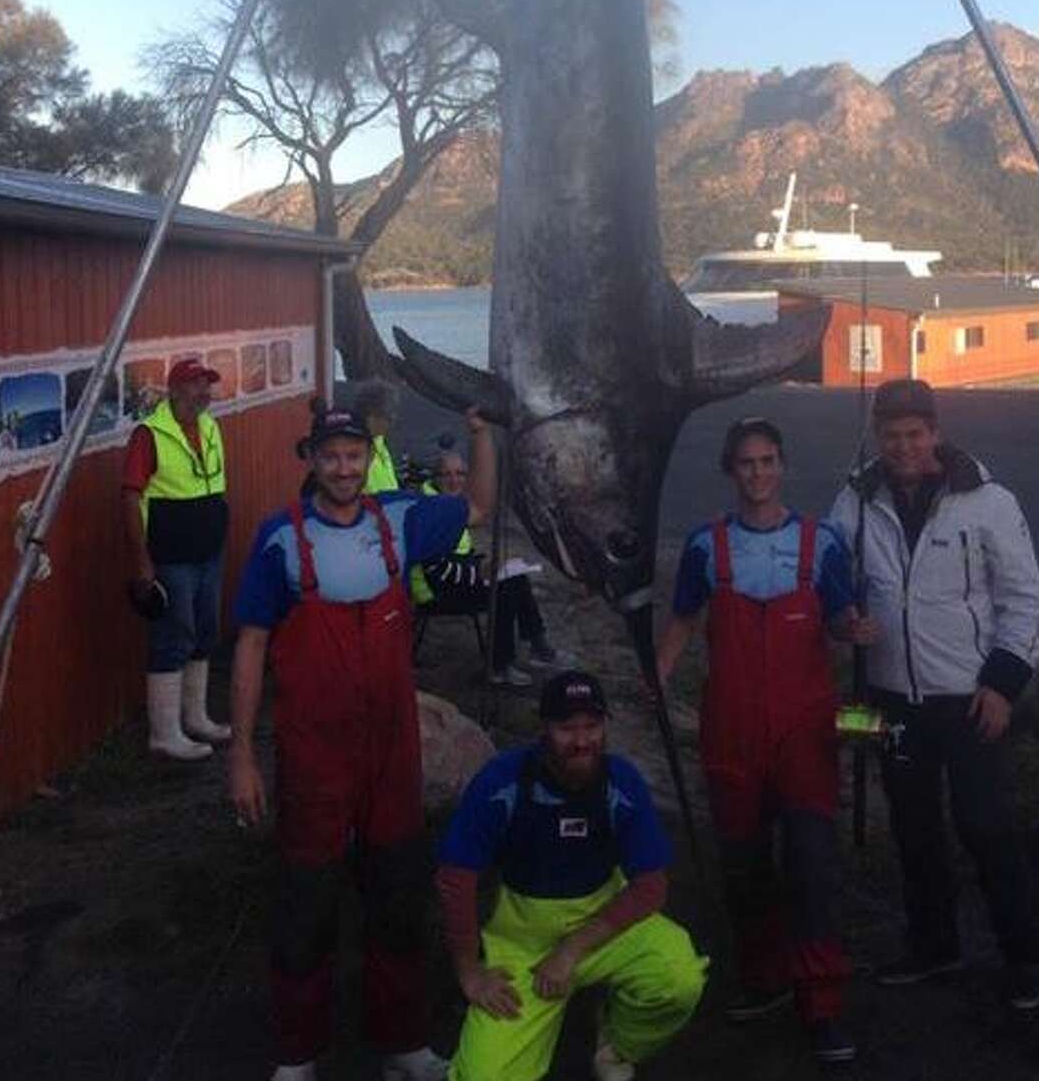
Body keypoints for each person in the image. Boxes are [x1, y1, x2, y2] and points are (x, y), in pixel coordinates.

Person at [228, 401, 496, 1081]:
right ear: (312, 460)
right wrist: (241, 754)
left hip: (390, 752)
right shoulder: (280, 539)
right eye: (331, 456)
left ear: (366, 459)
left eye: (353, 456)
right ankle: (298, 1054)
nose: (344, 468)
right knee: (306, 901)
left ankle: (401, 1042)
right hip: (314, 753)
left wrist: (480, 434)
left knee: (399, 894)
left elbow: (479, 507)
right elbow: (251, 643)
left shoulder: (400, 518)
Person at [655, 417, 874, 1066]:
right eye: (746, 462)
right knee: (744, 867)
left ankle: (821, 1002)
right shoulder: (706, 547)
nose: (758, 473)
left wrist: (857, 630)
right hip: (731, 733)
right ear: (732, 470)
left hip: (806, 734)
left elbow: (841, 622)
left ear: (782, 465)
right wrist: (656, 676)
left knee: (812, 868)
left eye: (768, 460)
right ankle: (764, 978)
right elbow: (683, 621)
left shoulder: (822, 543)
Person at [828, 378, 1039, 1010]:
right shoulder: (853, 499)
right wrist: (842, 620)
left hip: (970, 696)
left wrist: (1002, 686)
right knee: (914, 827)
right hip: (891, 697)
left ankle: (1024, 955)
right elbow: (829, 579)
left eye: (914, 434)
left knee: (986, 824)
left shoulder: (988, 500)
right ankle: (934, 945)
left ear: (935, 433)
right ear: (877, 436)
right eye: (891, 436)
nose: (903, 447)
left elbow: (1025, 600)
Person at [437, 670, 707, 1081]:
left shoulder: (621, 782)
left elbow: (651, 887)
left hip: (603, 927)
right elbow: (456, 877)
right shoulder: (503, 781)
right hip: (524, 944)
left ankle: (618, 1045)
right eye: (567, 728)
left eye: (592, 726)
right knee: (481, 1076)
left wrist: (572, 950)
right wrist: (468, 970)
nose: (582, 740)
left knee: (678, 978)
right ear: (544, 729)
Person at [122, 356, 231, 761]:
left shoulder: (210, 426)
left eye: (207, 384)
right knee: (173, 637)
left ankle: (196, 718)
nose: (203, 392)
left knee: (204, 633)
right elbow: (130, 497)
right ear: (174, 389)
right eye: (194, 384)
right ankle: (165, 733)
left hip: (208, 551)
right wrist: (142, 562)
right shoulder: (149, 434)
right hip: (171, 557)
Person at [423, 449, 558, 687]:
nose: (455, 480)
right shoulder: (431, 512)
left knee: (516, 578)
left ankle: (538, 644)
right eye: (447, 474)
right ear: (435, 478)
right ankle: (499, 666)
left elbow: (459, 552)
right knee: (503, 590)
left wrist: (482, 564)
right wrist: (478, 574)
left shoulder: (452, 504)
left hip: (457, 576)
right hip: (438, 589)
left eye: (460, 474)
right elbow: (434, 568)